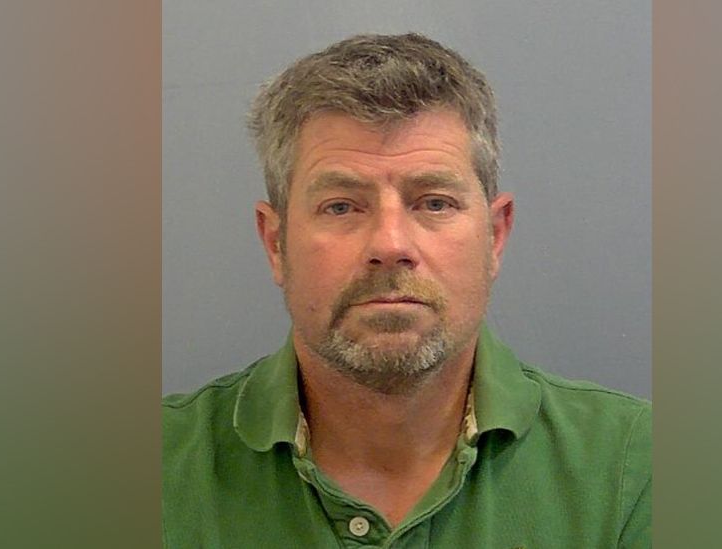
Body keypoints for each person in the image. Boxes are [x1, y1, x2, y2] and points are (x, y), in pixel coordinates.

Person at [162, 33, 651, 548]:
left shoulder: (635, 468)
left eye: (434, 202)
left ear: (495, 236)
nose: (390, 244)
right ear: (276, 244)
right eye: (341, 206)